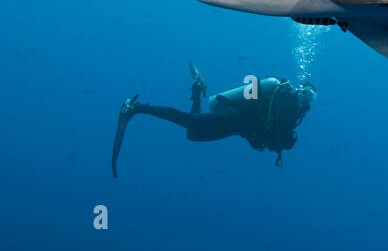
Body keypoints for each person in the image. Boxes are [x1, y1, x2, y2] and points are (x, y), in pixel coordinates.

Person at [111, 62, 316, 177]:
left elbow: (276, 136)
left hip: (239, 128)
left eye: (311, 97)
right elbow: (276, 124)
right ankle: (136, 108)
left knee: (193, 134)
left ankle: (198, 87)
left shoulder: (295, 115)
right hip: (237, 116)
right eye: (306, 93)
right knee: (191, 122)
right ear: (299, 91)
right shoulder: (284, 100)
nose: (307, 99)